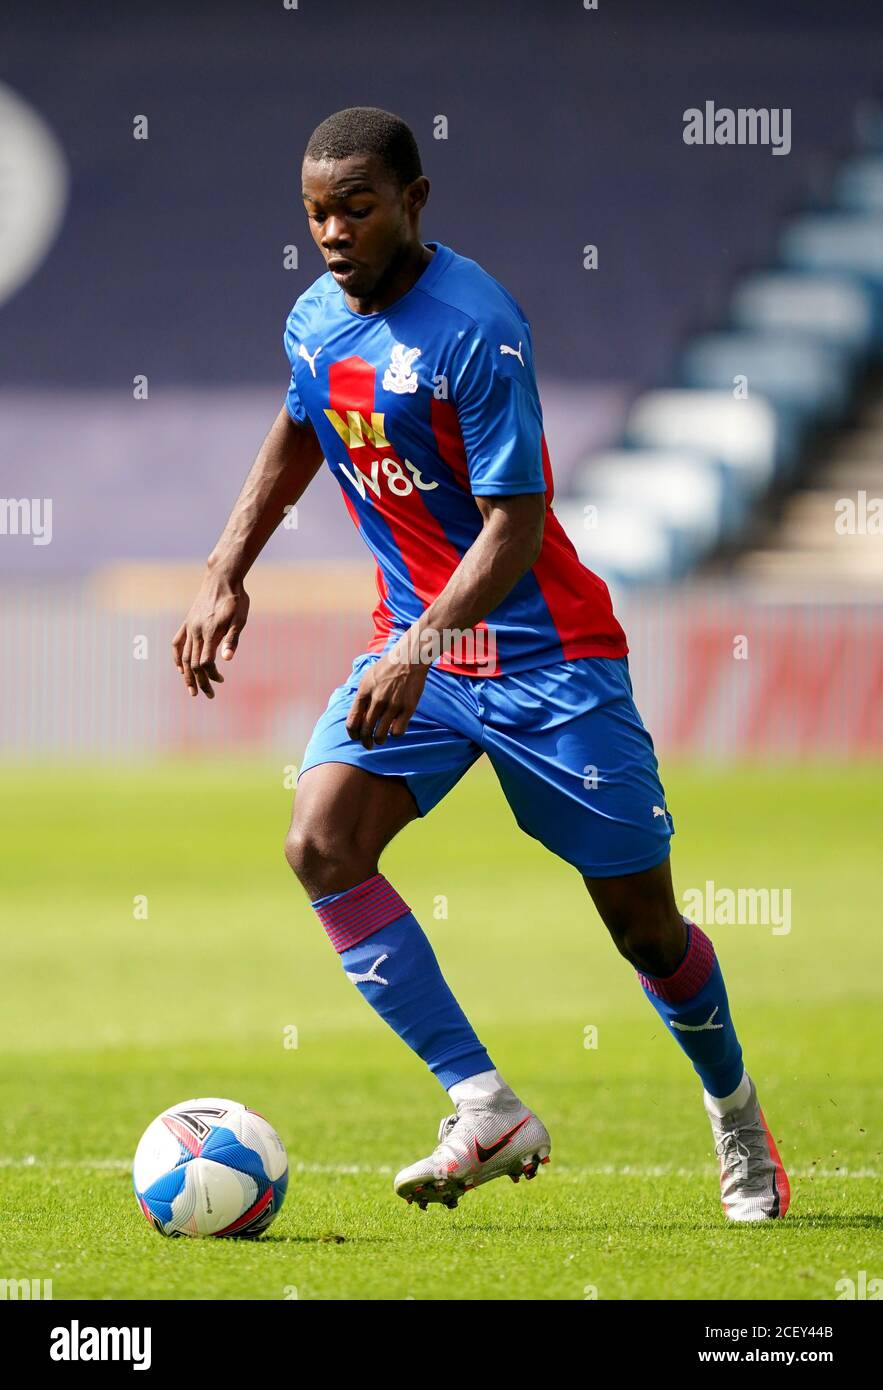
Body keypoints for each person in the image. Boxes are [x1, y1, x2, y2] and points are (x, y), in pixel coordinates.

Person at [173, 106, 789, 1221]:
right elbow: (299, 425)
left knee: (645, 928)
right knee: (319, 841)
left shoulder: (473, 327)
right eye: (316, 212)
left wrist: (418, 642)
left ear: (414, 199)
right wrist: (225, 566)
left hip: (548, 659)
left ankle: (735, 1112)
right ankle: (485, 1104)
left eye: (357, 206)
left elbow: (513, 526)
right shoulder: (316, 320)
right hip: (421, 657)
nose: (333, 232)